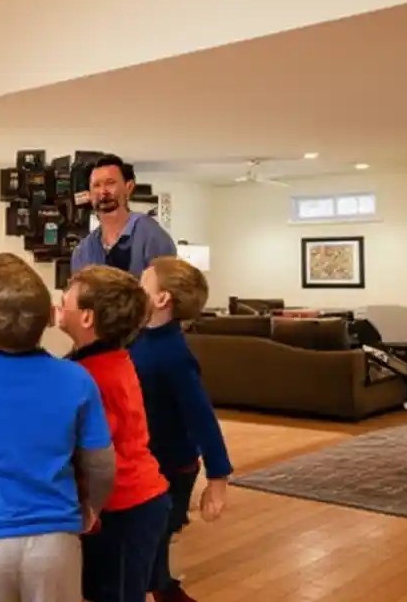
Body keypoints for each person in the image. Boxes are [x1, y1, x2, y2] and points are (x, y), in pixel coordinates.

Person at [0, 253, 117, 602]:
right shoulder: (77, 379)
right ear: (49, 316)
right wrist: (91, 510)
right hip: (56, 539)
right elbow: (101, 465)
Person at [58, 265, 171, 602]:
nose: (62, 297)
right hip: (129, 502)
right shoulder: (105, 362)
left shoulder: (93, 376)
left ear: (88, 318)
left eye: (70, 292)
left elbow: (92, 449)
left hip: (124, 504)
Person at [130, 257, 232, 602]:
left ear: (162, 299)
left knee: (155, 541)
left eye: (142, 283)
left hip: (173, 467)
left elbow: (201, 417)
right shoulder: (137, 338)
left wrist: (218, 480)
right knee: (151, 546)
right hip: (147, 461)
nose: (134, 288)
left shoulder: (174, 355)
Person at [71, 154, 177, 276]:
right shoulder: (83, 251)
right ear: (89, 194)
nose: (103, 191)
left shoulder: (151, 236)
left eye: (110, 183)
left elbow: (168, 289)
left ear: (129, 187)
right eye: (96, 185)